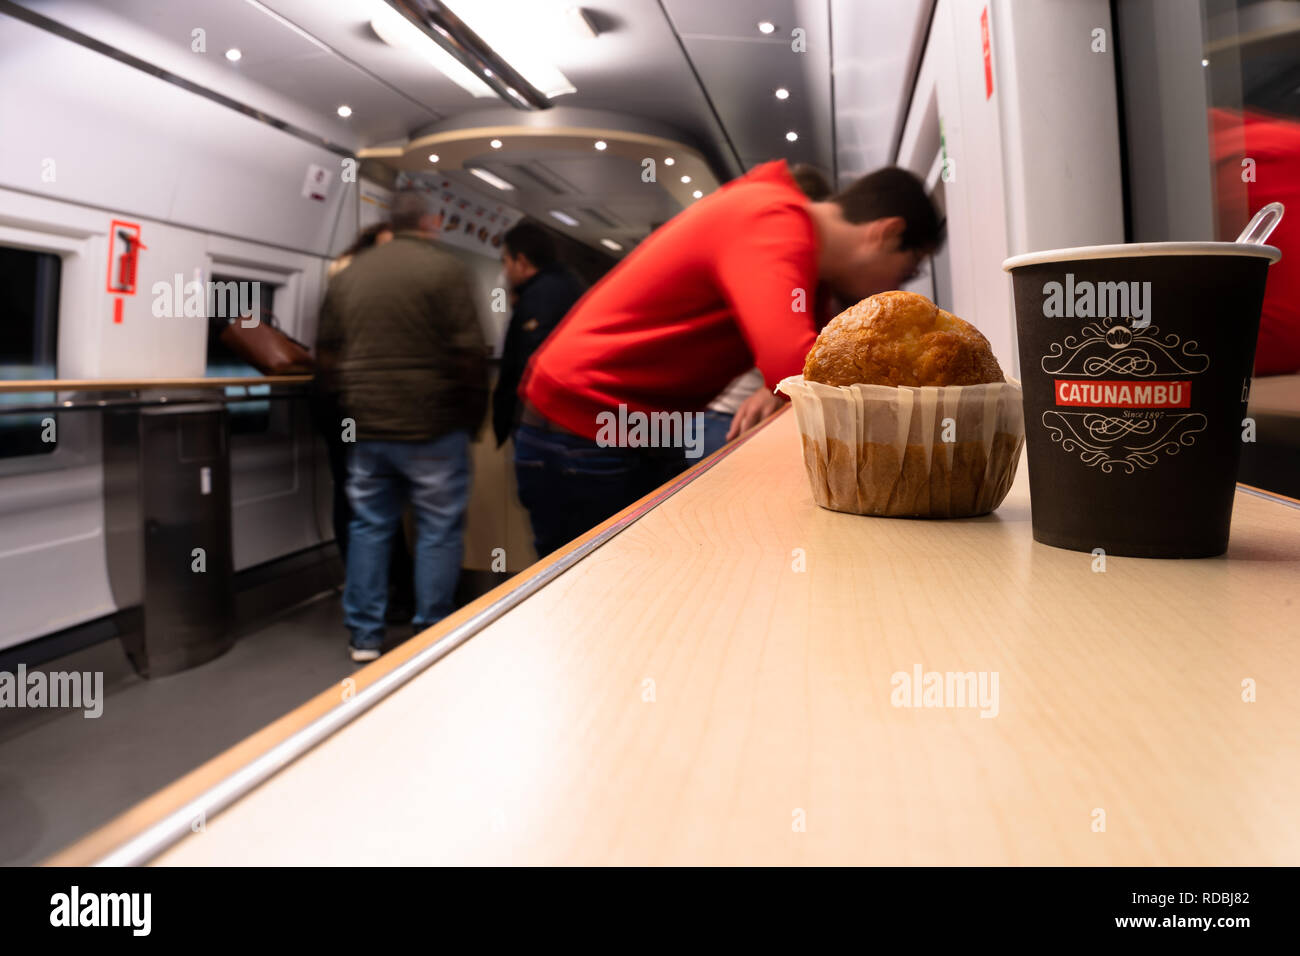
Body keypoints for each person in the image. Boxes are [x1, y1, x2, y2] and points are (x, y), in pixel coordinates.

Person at [514, 160, 942, 557]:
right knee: (588, 609)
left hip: (624, 428)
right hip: (581, 428)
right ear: (886, 232)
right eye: (907, 270)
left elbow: (800, 359)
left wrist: (771, 385)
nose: (898, 285)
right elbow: (795, 364)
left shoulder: (804, 257)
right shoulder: (772, 220)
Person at [317, 190, 489, 661]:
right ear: (432, 222)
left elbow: (327, 355)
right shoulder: (446, 271)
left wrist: (350, 414)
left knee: (370, 526)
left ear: (391, 221)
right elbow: (471, 354)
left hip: (368, 427)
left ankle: (364, 635)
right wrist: (470, 420)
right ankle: (431, 629)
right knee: (438, 528)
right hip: (432, 426)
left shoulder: (349, 275)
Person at [700, 163, 836, 455]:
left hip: (734, 410)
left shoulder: (800, 274)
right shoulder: (778, 257)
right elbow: (785, 353)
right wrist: (778, 384)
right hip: (730, 415)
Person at [492, 220, 584, 447]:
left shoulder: (541, 297)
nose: (506, 270)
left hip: (542, 422)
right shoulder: (568, 285)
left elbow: (529, 364)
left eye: (506, 261)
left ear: (521, 261)